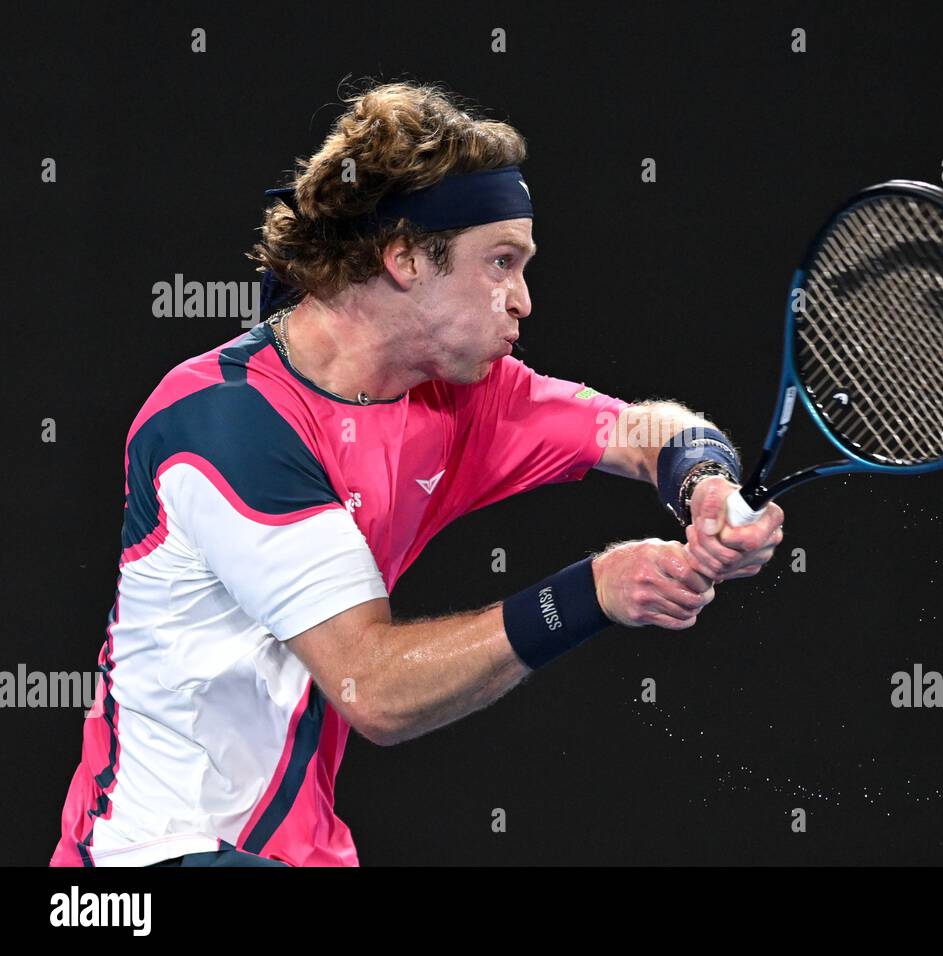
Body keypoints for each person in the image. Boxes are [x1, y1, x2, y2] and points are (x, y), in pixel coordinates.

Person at [50, 81, 783, 867]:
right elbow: (375, 690)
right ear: (404, 257)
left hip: (298, 853)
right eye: (500, 262)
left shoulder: (461, 398)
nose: (524, 299)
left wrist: (705, 481)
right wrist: (593, 591)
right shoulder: (223, 424)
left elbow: (647, 429)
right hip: (147, 864)